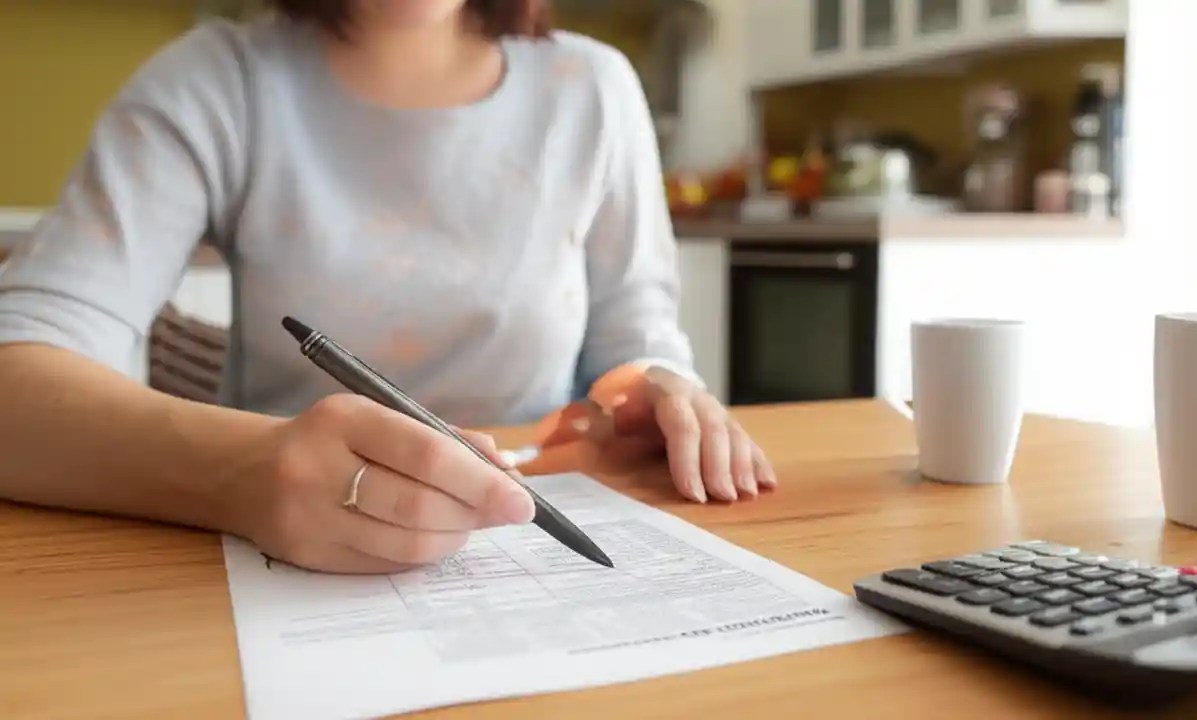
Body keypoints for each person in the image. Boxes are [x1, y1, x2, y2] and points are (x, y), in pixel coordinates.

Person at [0, 0, 776, 574]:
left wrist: (653, 386)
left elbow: (634, 337)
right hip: (278, 574)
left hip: (531, 536)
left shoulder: (594, 88)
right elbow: (15, 387)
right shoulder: (215, 81)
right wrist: (241, 472)